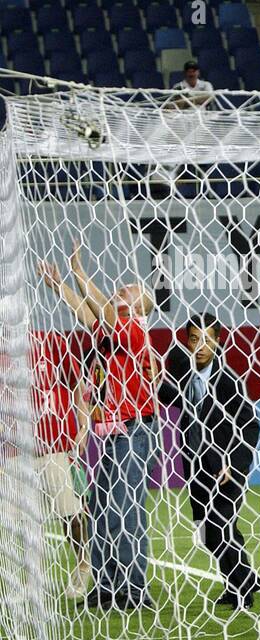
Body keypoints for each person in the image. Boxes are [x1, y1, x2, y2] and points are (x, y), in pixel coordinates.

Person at [38, 245, 158, 611]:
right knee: (103, 510)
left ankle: (134, 590)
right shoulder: (110, 335)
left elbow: (102, 312)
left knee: (126, 510)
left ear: (140, 306)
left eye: (129, 290)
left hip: (135, 432)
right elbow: (86, 312)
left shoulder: (135, 331)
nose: (122, 288)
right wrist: (60, 284)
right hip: (109, 434)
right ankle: (106, 587)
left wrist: (81, 272)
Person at [157, 314, 260, 611]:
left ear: (218, 342)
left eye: (207, 339)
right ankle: (243, 578)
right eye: (194, 339)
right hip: (194, 466)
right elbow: (181, 400)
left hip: (225, 470)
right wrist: (156, 382)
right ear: (186, 342)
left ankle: (242, 592)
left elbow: (250, 425)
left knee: (223, 527)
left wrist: (234, 464)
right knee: (207, 532)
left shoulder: (229, 381)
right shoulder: (184, 372)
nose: (200, 346)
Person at [32, 330, 91, 600]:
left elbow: (77, 386)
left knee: (73, 515)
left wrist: (83, 425)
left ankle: (84, 563)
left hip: (58, 445)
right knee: (23, 520)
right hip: (17, 451)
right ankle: (31, 579)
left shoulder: (52, 343)